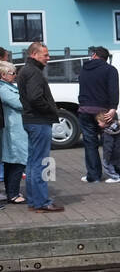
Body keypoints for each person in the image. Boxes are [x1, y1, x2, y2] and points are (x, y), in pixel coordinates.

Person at [17, 41, 64, 212]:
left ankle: (34, 201)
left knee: (32, 163)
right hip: (39, 121)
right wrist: (51, 110)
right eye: (45, 55)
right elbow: (35, 98)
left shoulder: (25, 70)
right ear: (34, 54)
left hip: (32, 121)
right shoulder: (34, 72)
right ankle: (42, 202)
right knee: (41, 163)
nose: (48, 58)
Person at [77, 45, 119, 183]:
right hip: (103, 111)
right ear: (106, 58)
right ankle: (116, 172)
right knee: (111, 142)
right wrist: (113, 108)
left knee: (90, 143)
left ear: (94, 55)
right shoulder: (110, 70)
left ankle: (93, 176)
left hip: (85, 110)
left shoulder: (84, 69)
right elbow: (113, 90)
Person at [0, 52, 19, 205]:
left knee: (13, 162)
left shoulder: (8, 86)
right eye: (13, 73)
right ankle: (12, 193)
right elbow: (20, 103)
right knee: (15, 162)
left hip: (14, 129)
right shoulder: (3, 89)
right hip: (12, 130)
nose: (15, 75)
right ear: (4, 75)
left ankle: (11, 192)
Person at [98, 109, 120, 182]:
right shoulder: (115, 128)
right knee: (119, 163)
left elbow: (108, 147)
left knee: (106, 164)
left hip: (112, 152)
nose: (98, 124)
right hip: (119, 151)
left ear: (105, 122)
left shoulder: (107, 133)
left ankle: (114, 177)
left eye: (99, 122)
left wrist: (106, 157)